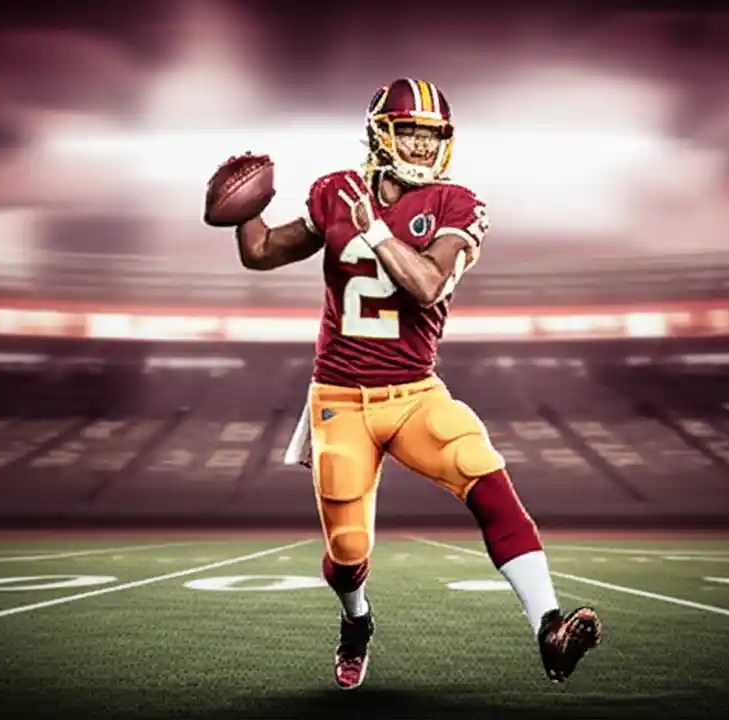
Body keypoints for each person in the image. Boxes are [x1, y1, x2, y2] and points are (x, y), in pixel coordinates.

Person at [209, 78, 601, 690]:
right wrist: (244, 209)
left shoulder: (457, 203)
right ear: (379, 134)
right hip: (338, 398)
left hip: (414, 392)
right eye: (409, 132)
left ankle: (548, 626)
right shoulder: (334, 192)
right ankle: (357, 622)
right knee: (347, 552)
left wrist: (377, 232)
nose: (421, 146)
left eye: (432, 135)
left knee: (483, 470)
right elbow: (260, 253)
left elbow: (427, 286)